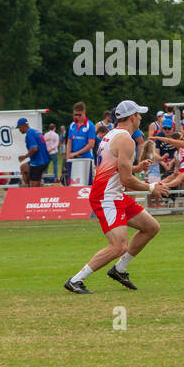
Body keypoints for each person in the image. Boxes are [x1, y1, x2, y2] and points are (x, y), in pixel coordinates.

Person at [64, 101, 168, 294]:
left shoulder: (112, 134)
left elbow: (117, 169)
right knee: (118, 246)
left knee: (151, 227)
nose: (141, 118)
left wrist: (137, 168)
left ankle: (119, 269)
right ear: (132, 117)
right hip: (106, 196)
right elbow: (126, 179)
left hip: (113, 194)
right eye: (139, 114)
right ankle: (76, 280)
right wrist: (151, 186)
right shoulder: (126, 139)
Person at [65, 102, 96, 183]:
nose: (77, 117)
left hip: (87, 159)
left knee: (88, 184)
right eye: (75, 115)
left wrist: (75, 153)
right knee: (74, 183)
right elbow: (69, 141)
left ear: (84, 112)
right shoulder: (72, 125)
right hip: (74, 160)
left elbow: (91, 144)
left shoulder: (90, 125)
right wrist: (68, 155)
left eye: (79, 115)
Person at [16, 117, 51, 186]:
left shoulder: (29, 134)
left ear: (23, 126)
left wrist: (24, 157)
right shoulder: (35, 131)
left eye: (19, 127)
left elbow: (34, 149)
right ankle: (28, 188)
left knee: (34, 185)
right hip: (44, 159)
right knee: (23, 167)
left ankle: (32, 192)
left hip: (39, 162)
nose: (19, 130)